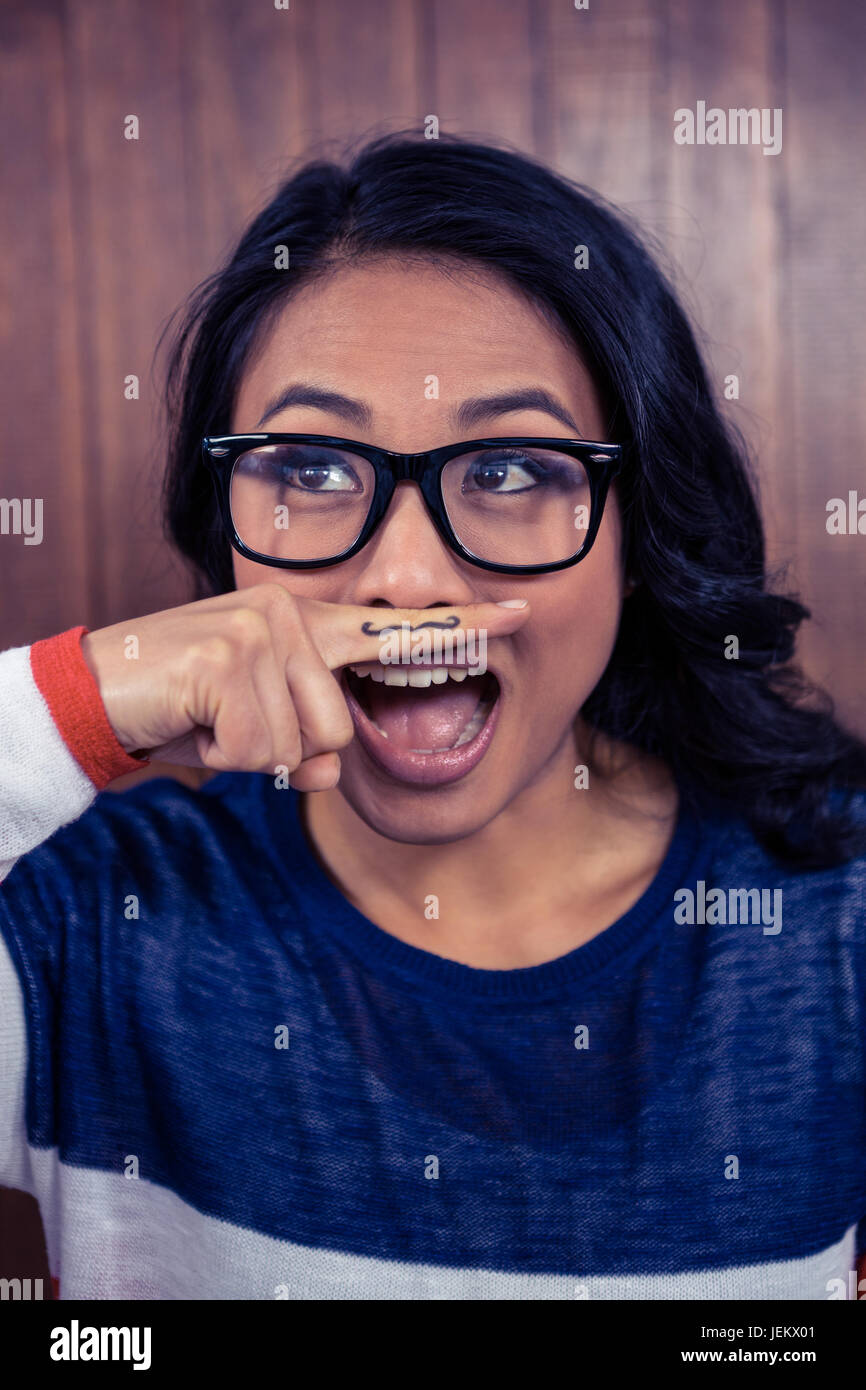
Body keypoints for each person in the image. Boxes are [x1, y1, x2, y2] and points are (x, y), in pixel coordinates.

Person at [1, 131, 864, 1300]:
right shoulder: (86, 925)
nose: (406, 580)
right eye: (307, 467)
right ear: (223, 524)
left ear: (633, 530)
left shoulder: (830, 919)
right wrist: (83, 693)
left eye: (511, 470)